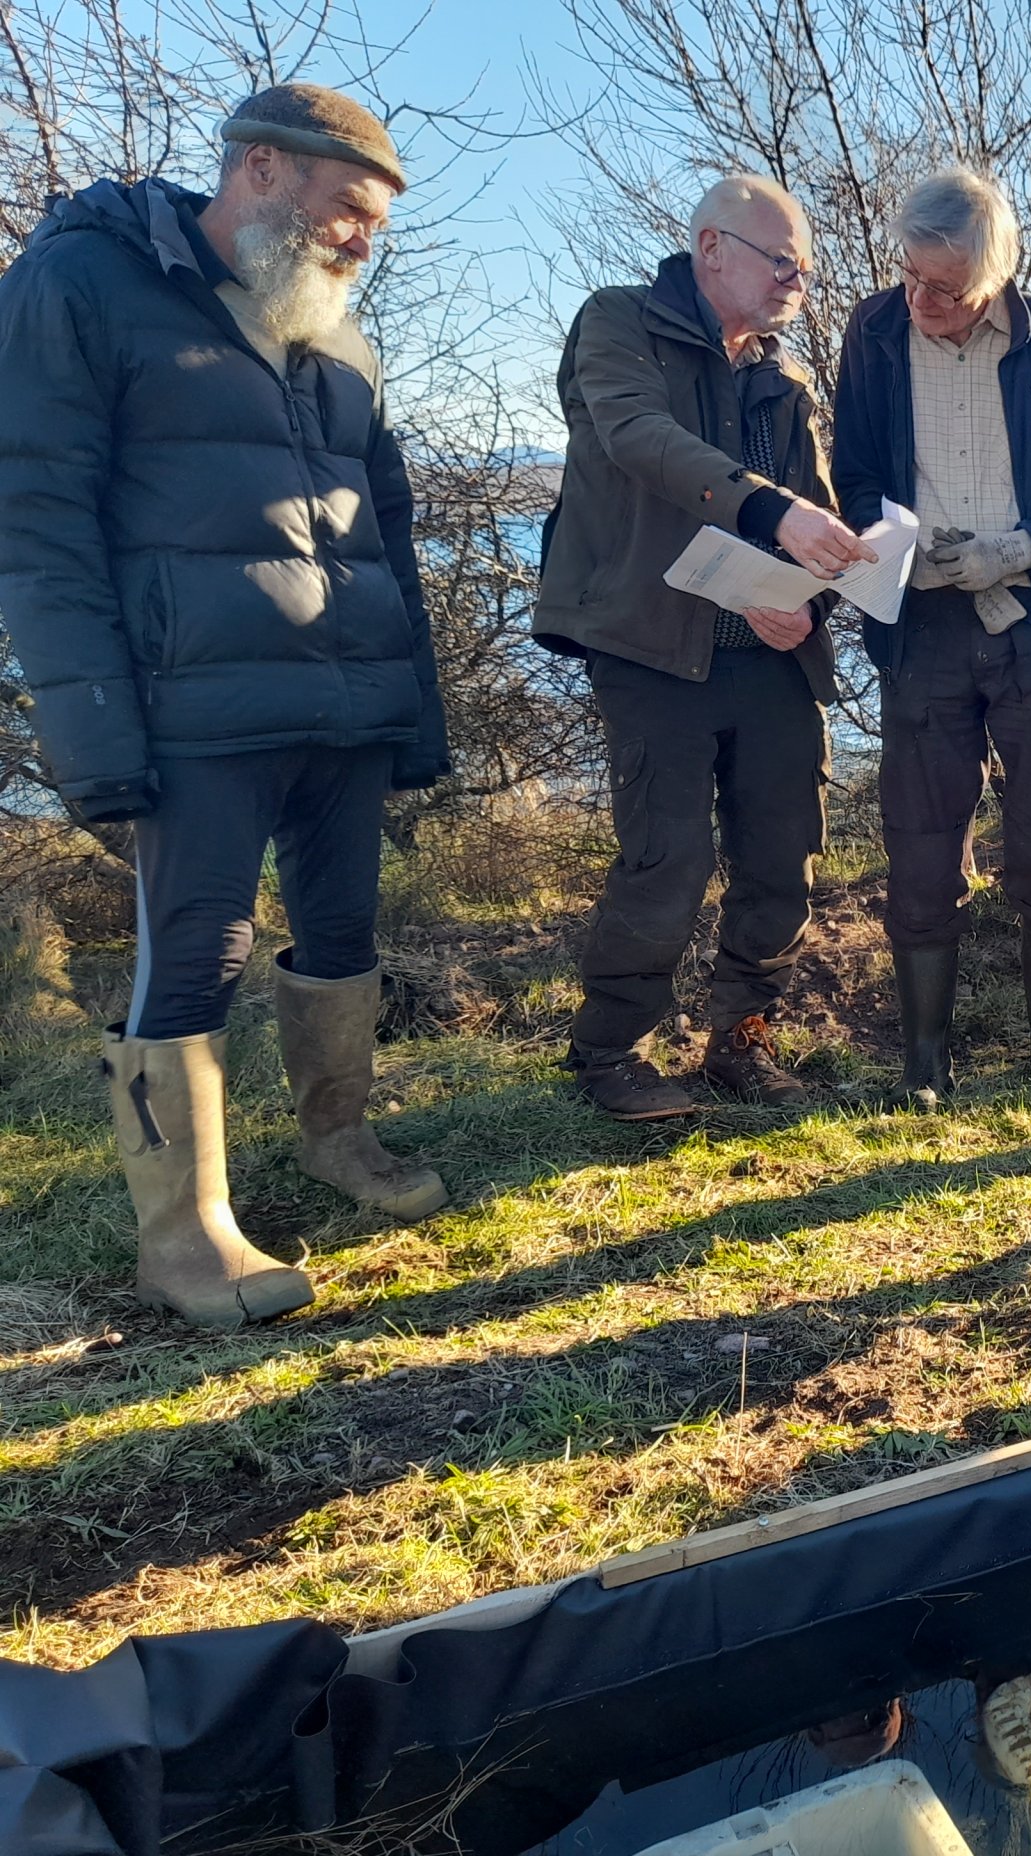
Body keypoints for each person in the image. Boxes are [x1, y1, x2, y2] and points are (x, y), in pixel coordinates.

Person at [0, 84, 451, 1329]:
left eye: (376, 224)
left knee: (343, 927)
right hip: (188, 704)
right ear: (260, 170)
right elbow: (35, 521)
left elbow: (387, 534)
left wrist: (411, 707)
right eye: (348, 210)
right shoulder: (81, 285)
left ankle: (338, 1137)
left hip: (344, 698)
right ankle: (185, 1238)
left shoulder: (335, 332)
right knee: (199, 953)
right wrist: (92, 730)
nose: (363, 242)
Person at [540, 175, 871, 1122]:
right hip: (651, 648)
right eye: (782, 262)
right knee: (667, 860)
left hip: (768, 659)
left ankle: (742, 1040)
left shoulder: (784, 378)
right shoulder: (618, 323)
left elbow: (816, 515)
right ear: (712, 248)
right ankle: (611, 1053)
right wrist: (772, 511)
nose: (797, 283)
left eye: (804, 269)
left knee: (783, 857)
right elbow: (639, 439)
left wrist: (809, 601)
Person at [831, 168, 1031, 1110]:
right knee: (921, 847)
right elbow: (851, 475)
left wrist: (1018, 549)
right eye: (910, 277)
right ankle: (924, 1056)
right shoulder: (872, 336)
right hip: (923, 633)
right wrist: (891, 550)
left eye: (946, 289)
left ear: (997, 276)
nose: (920, 302)